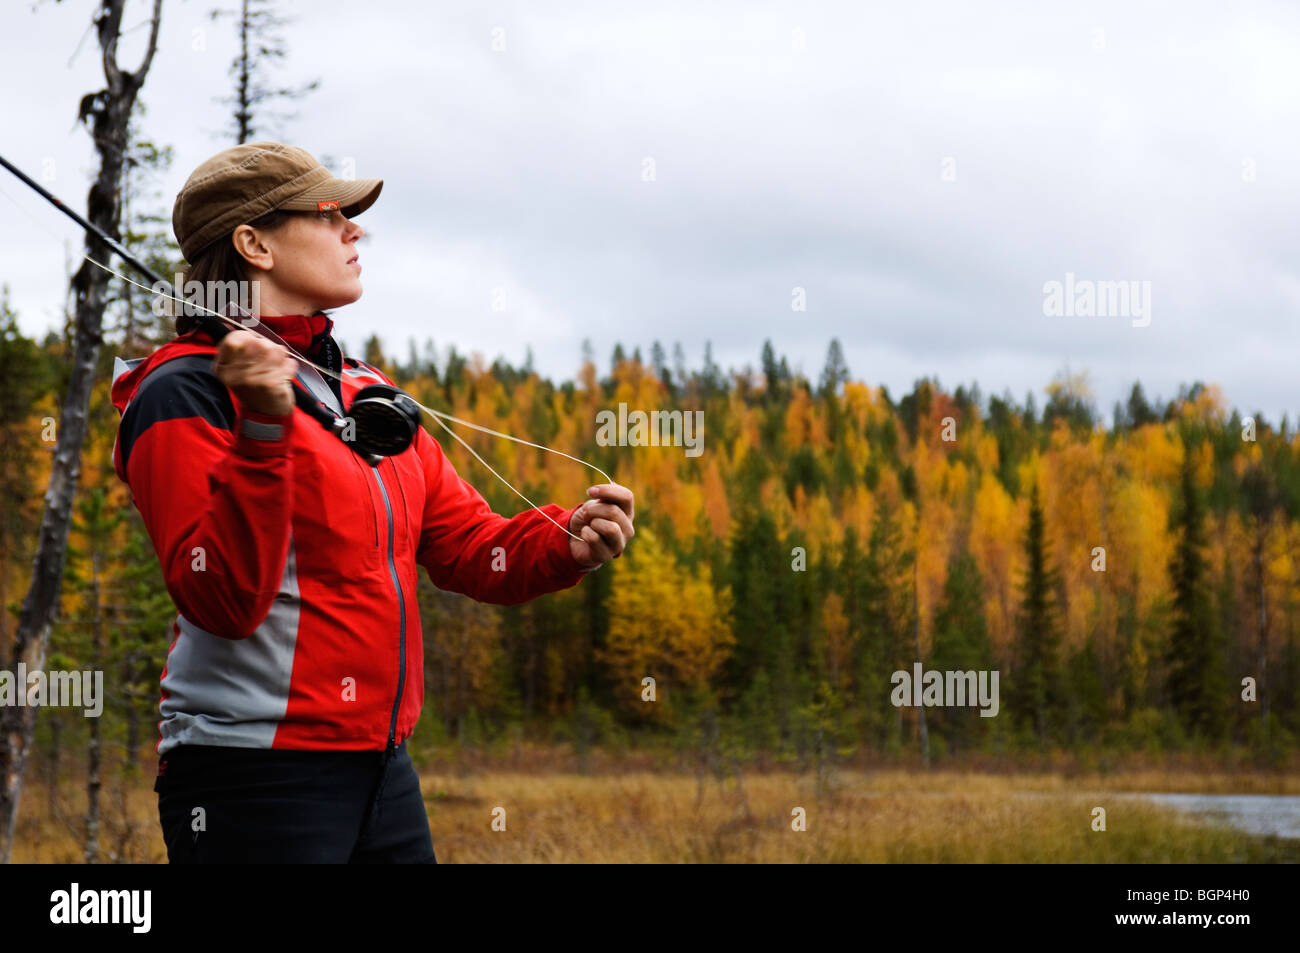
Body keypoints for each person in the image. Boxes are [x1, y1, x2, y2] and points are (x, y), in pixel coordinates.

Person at [109, 141, 635, 863]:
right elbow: (220, 596)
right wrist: (263, 426)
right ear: (253, 243)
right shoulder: (181, 392)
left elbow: (466, 546)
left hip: (384, 770)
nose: (357, 231)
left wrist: (564, 543)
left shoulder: (365, 390)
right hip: (253, 776)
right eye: (332, 215)